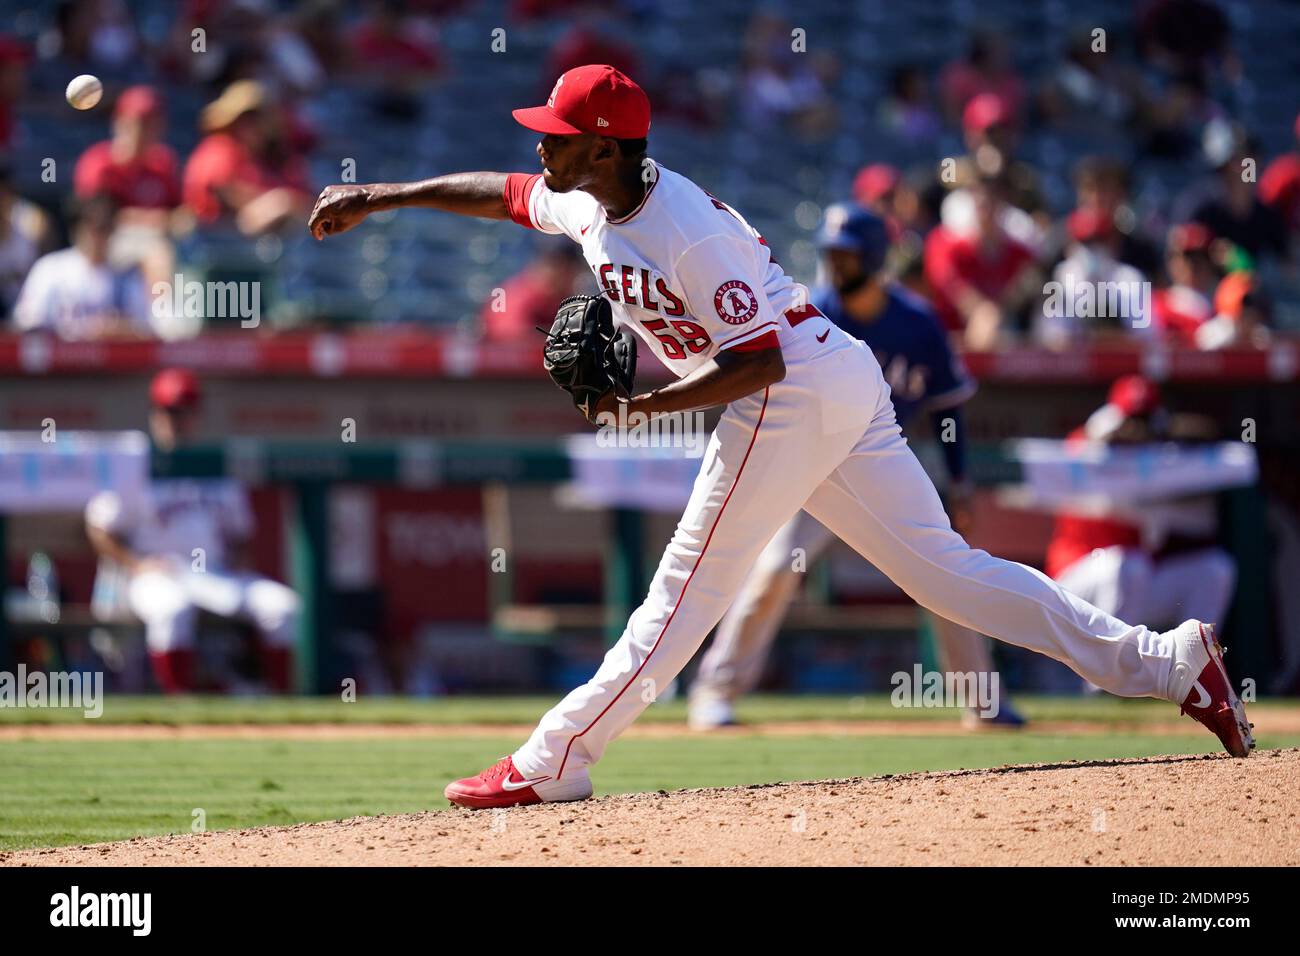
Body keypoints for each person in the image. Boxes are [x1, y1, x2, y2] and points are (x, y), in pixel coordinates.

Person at [308, 64, 1254, 810]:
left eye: (561, 136)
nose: (544, 148)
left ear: (606, 146)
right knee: (952, 577)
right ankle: (1169, 664)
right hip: (830, 376)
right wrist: (387, 194)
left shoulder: (684, 226)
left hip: (793, 388)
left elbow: (756, 363)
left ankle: (555, 757)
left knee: (686, 588)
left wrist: (643, 409)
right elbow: (505, 192)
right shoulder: (591, 195)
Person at [688, 203, 1024, 731]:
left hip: (882, 463)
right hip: (816, 468)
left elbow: (947, 407)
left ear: (875, 257)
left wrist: (958, 481)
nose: (836, 265)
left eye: (847, 256)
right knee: (776, 571)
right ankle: (716, 690)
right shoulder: (808, 312)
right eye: (831, 255)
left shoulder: (917, 323)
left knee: (942, 572)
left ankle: (982, 701)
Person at [85, 369, 300, 694]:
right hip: (156, 576)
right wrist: (135, 564)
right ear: (156, 414)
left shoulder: (216, 465)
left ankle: (288, 706)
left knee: (283, 607)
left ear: (197, 416)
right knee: (174, 610)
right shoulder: (137, 463)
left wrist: (238, 562)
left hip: (212, 575)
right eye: (171, 412)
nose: (178, 421)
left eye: (185, 412)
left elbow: (240, 534)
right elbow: (99, 528)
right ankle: (181, 707)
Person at [1047, 376, 1237, 692]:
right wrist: (1108, 439)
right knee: (1126, 565)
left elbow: (1212, 454)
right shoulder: (1085, 444)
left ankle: (1191, 678)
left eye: (1143, 422)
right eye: (1129, 422)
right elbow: (1080, 464)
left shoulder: (1163, 458)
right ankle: (1105, 686)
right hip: (1076, 581)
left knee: (1215, 569)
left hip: (1134, 586)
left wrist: (1170, 447)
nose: (1135, 431)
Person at [11, 195, 153, 340]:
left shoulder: (127, 275)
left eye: (105, 226)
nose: (97, 234)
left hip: (114, 360)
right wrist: (79, 332)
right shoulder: (50, 268)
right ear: (77, 227)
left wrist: (117, 329)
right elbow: (28, 325)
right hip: (61, 360)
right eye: (91, 223)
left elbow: (146, 331)